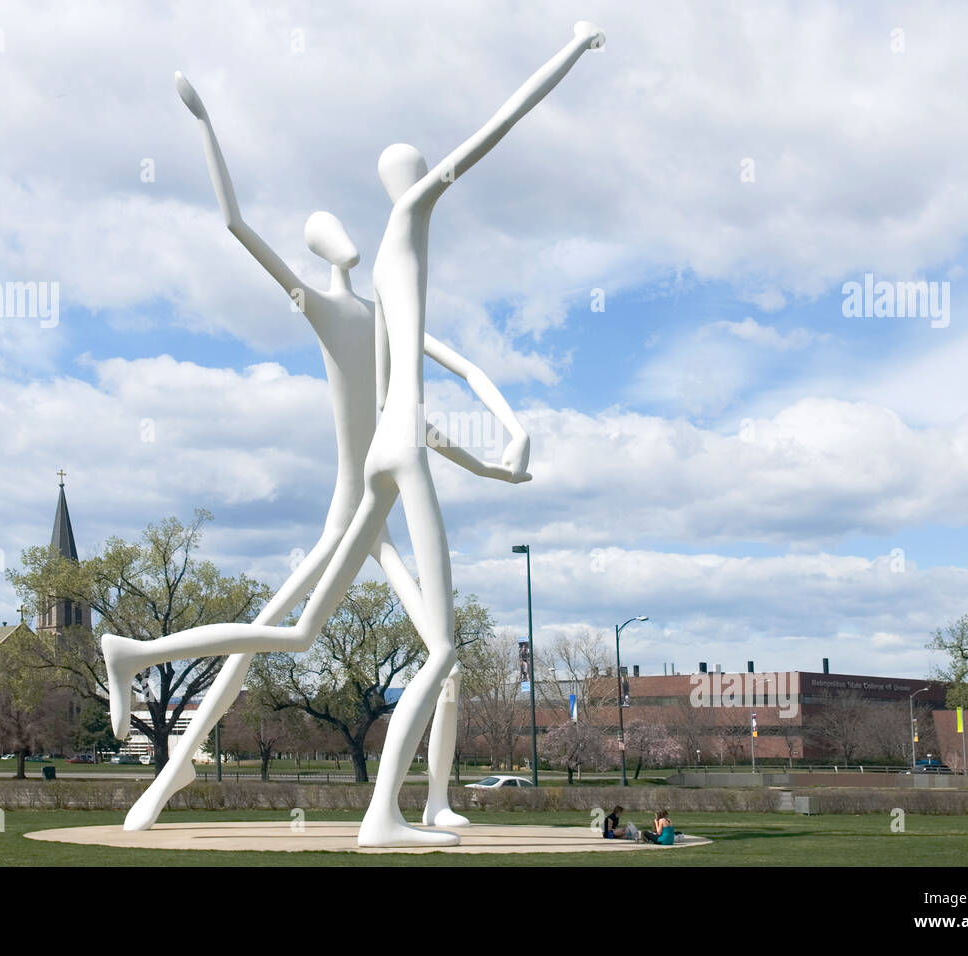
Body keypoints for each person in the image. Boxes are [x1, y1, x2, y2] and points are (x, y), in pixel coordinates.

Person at [105, 21, 604, 847]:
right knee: (440, 649)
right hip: (386, 463)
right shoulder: (397, 231)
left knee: (301, 633)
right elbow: (501, 124)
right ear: (405, 182)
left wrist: (495, 455)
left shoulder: (377, 299)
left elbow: (428, 391)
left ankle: (137, 656)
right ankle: (382, 816)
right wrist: (574, 46)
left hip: (385, 454)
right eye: (414, 171)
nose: (419, 178)